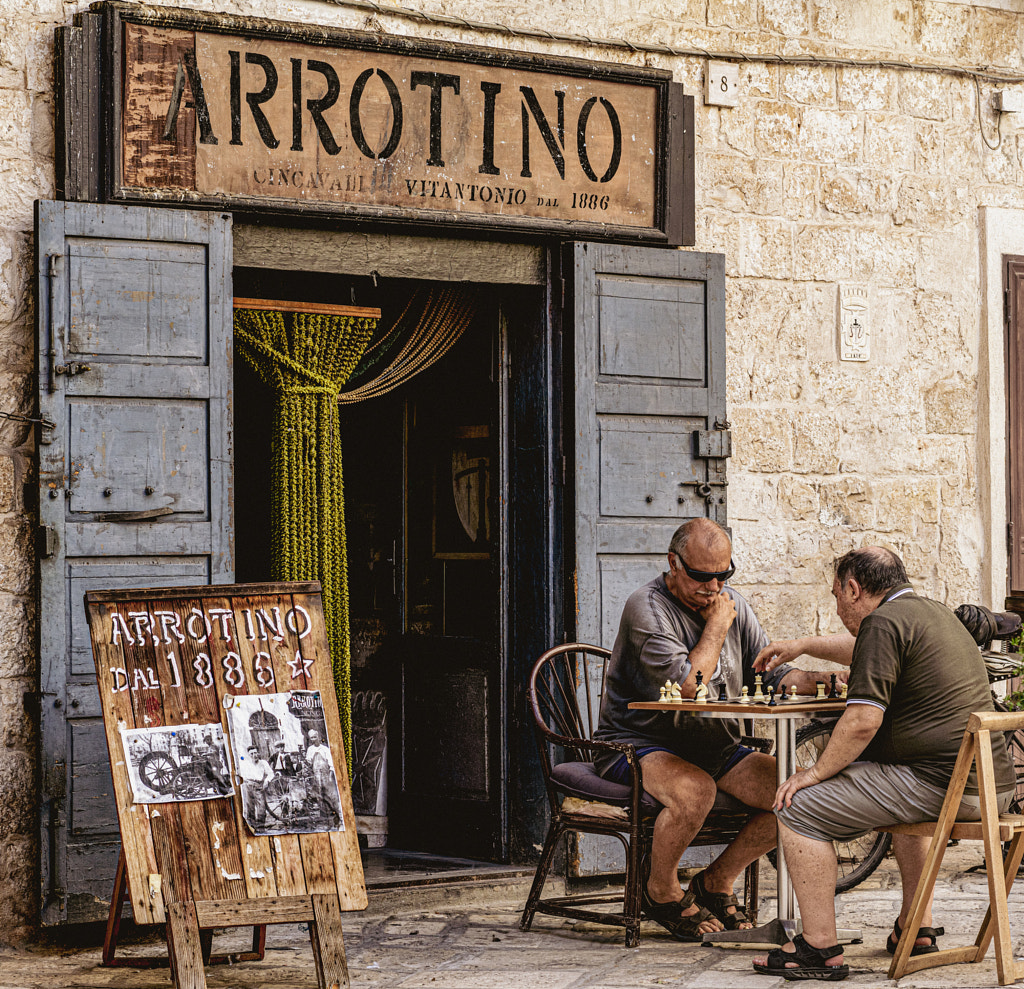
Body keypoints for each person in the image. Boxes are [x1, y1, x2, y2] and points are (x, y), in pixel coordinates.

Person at [751, 546, 1016, 981]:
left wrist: (812, 774)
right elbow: (864, 646)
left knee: (797, 805)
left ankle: (818, 947)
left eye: (837, 595)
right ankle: (917, 927)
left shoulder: (883, 623)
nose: (838, 607)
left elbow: (861, 722)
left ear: (854, 589)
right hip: (991, 785)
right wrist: (803, 645)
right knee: (893, 794)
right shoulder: (932, 613)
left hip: (945, 786)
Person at [594, 518, 833, 940]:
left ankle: (715, 881)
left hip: (714, 746)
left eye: (724, 575)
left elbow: (772, 675)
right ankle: (660, 890)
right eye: (702, 576)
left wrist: (824, 681)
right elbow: (689, 686)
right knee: (695, 790)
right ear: (673, 563)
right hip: (637, 743)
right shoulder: (646, 608)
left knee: (795, 793)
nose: (714, 587)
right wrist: (718, 625)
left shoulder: (730, 600)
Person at [305, 729, 343, 825]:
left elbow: (331, 764)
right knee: (319, 795)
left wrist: (330, 776)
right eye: (311, 738)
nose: (313, 739)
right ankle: (323, 817)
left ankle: (334, 817)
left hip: (326, 775)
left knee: (329, 795)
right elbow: (309, 762)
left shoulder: (325, 749)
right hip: (316, 775)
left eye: (314, 737)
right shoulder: (310, 750)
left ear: (318, 737)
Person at [240, 743, 275, 830]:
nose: (254, 755)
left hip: (258, 786)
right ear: (249, 755)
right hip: (248, 785)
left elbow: (271, 773)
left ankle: (260, 826)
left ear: (258, 753)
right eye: (251, 754)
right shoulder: (246, 764)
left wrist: (267, 781)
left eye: (255, 753)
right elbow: (241, 775)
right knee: (250, 807)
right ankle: (252, 826)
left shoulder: (263, 763)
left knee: (261, 807)